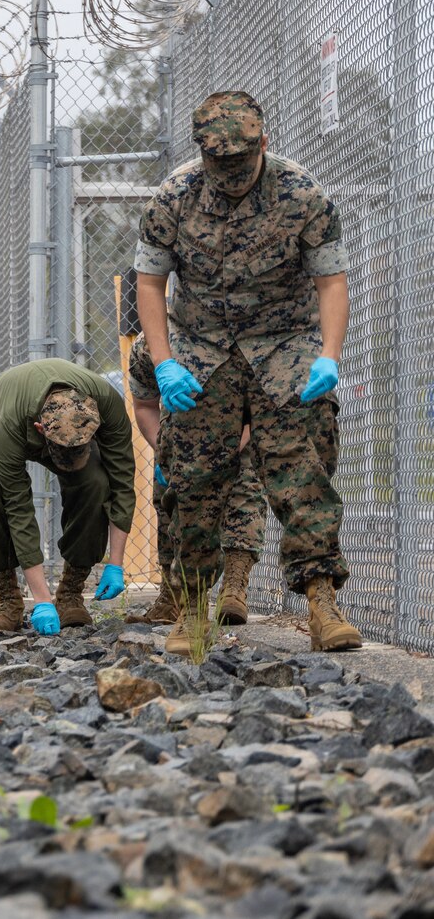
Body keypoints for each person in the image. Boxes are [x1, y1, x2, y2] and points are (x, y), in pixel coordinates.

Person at [136, 89, 361, 655]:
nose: (230, 176)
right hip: (202, 348)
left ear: (263, 143)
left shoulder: (302, 194)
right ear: (202, 154)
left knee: (303, 473)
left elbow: (331, 281)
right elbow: (150, 283)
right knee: (193, 482)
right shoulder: (174, 197)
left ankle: (322, 605)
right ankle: (192, 611)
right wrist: (164, 363)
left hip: (282, 345)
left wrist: (329, 354)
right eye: (219, 164)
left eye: (240, 162)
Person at [0, 358, 134, 635]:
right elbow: (17, 505)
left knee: (96, 482)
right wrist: (41, 600)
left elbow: (122, 482)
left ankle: (71, 594)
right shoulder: (12, 419)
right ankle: (8, 600)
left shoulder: (106, 402)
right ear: (41, 429)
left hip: (47, 422)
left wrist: (116, 563)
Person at [124, 340, 265, 626]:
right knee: (169, 500)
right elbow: (144, 404)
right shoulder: (147, 347)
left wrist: (229, 451)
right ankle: (172, 597)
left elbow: (259, 408)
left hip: (237, 428)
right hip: (180, 431)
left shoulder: (239, 334)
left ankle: (234, 587)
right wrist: (163, 451)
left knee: (243, 491)